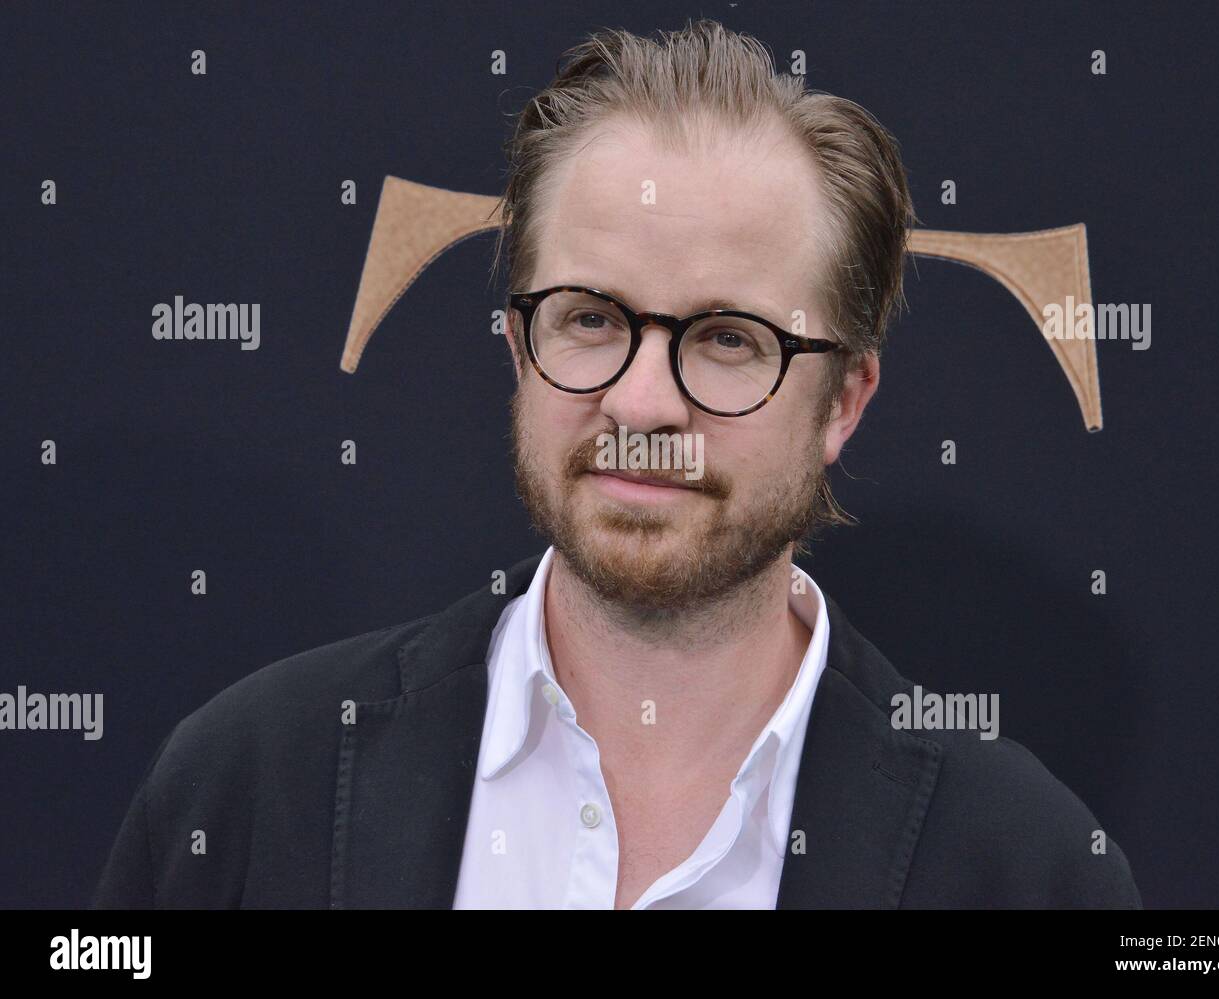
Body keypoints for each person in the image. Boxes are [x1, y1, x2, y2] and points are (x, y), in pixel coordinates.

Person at [92, 19, 1140, 909]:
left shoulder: (1028, 870)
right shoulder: (250, 781)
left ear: (843, 403)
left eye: (729, 338)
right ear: (517, 346)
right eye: (590, 318)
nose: (640, 402)